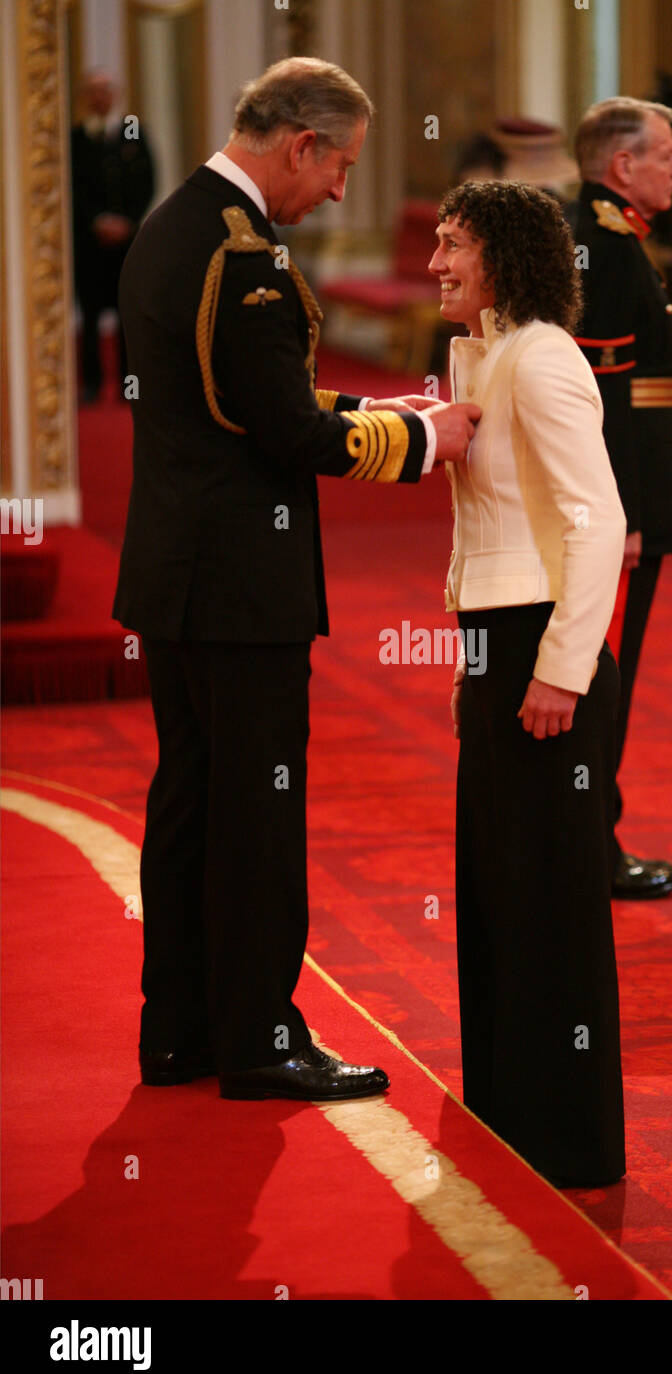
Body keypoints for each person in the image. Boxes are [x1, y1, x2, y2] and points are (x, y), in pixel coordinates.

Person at [113, 57, 480, 1102]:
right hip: (240, 587)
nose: (337, 191)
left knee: (190, 803)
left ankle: (181, 1030)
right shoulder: (246, 259)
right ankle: (262, 1037)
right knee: (258, 817)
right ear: (300, 143)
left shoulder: (173, 224)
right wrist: (423, 442)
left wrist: (388, 416)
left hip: (174, 575)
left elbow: (247, 388)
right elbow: (285, 429)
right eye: (338, 167)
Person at [429, 181, 628, 1187]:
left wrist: (560, 670)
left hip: (540, 646)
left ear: (500, 257)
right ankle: (507, 1107)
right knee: (497, 881)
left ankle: (566, 1137)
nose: (433, 261)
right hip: (491, 640)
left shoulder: (542, 358)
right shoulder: (483, 351)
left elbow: (597, 526)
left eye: (452, 243)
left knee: (548, 891)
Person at [565, 97, 672, 900]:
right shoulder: (607, 249)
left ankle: (591, 836)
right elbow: (601, 401)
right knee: (603, 677)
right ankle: (593, 846)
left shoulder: (605, 240)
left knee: (603, 675)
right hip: (618, 507)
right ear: (624, 167)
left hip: (624, 498)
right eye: (667, 154)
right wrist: (624, 514)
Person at [71, 69, 155, 402]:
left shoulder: (132, 130)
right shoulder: (76, 137)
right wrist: (96, 221)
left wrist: (127, 222)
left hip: (126, 243)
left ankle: (128, 386)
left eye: (105, 90)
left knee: (127, 316)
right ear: (84, 98)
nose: (100, 97)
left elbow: (147, 179)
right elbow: (70, 188)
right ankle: (90, 386)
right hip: (90, 244)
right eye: (93, 91)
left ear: (116, 94)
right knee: (89, 316)